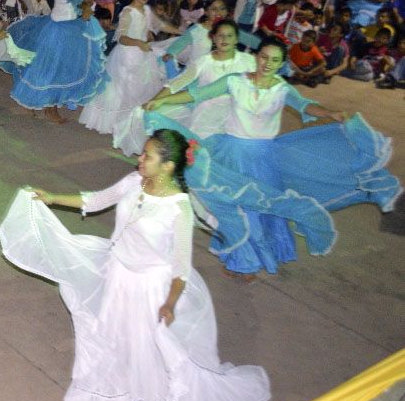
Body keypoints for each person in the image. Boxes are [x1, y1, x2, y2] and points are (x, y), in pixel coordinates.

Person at [0, 129, 271, 401]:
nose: (139, 159)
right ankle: (122, 381)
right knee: (117, 338)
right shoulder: (133, 182)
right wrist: (52, 197)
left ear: (167, 166)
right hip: (118, 275)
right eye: (142, 152)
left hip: (151, 287)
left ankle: (149, 393)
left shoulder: (179, 208)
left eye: (147, 156)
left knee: (149, 348)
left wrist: (170, 302)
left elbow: (180, 267)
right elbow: (95, 200)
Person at [144, 39, 401, 278]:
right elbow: (197, 94)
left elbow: (304, 105)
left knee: (265, 206)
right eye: (264, 57)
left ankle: (257, 255)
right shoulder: (235, 81)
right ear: (256, 57)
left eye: (275, 60)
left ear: (282, 63)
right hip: (231, 152)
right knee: (239, 208)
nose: (267, 63)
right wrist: (163, 100)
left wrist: (331, 113)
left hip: (265, 157)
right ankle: (242, 261)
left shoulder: (281, 88)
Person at [120, 19, 257, 156]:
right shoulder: (204, 61)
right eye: (220, 35)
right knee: (198, 147)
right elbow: (178, 82)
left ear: (237, 39)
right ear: (213, 38)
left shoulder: (249, 61)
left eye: (229, 35)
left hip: (238, 112)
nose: (224, 39)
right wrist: (155, 100)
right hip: (207, 110)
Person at [1, 0, 108, 124]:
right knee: (53, 70)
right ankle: (50, 108)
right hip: (58, 33)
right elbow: (79, 6)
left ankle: (47, 104)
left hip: (69, 30)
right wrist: (86, 5)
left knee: (56, 69)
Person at [80, 0, 183, 137]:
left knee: (141, 89)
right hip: (127, 54)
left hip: (143, 54)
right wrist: (138, 42)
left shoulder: (147, 10)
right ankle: (119, 123)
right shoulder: (128, 11)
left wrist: (180, 32)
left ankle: (135, 122)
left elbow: (161, 25)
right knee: (124, 90)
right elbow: (120, 37)